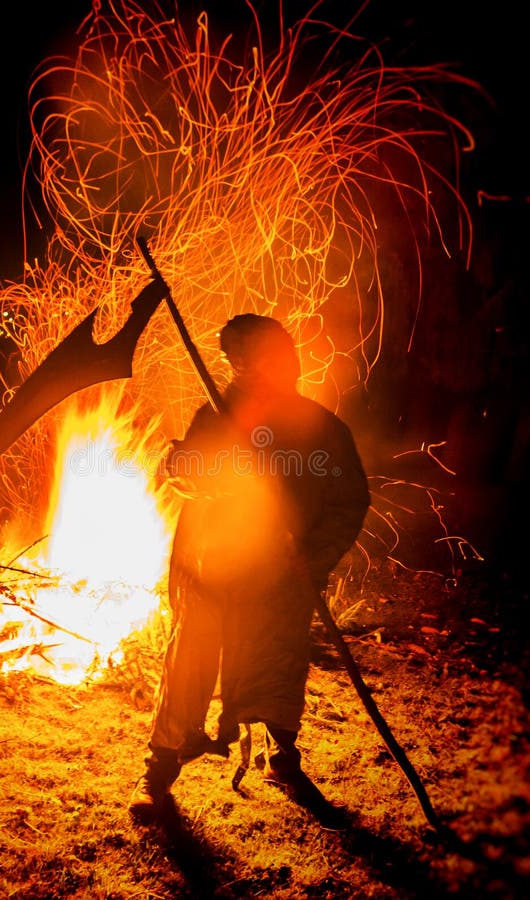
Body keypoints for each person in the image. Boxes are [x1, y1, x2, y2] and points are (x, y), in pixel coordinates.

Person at [129, 314, 370, 818]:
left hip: (281, 573)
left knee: (277, 663)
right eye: (236, 360)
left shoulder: (322, 429)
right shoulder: (216, 415)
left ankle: (282, 760)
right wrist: (194, 468)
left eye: (256, 358)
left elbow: (348, 502)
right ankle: (160, 768)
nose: (246, 369)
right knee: (189, 661)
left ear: (281, 360)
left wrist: (313, 556)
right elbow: (183, 474)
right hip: (211, 564)